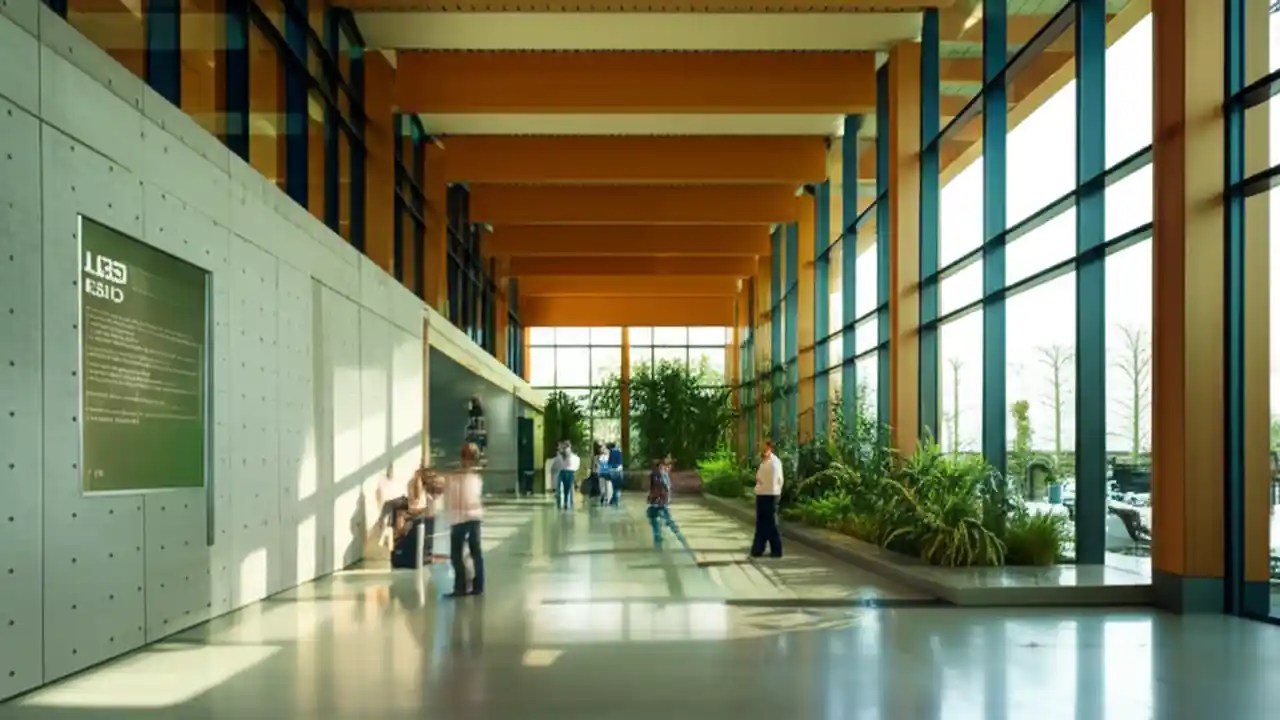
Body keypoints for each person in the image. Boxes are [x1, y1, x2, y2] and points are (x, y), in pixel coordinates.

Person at [444, 443, 485, 598]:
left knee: (458, 554)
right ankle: (476, 587)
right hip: (470, 517)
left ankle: (462, 587)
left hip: (462, 518)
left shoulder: (461, 475)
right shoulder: (475, 475)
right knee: (474, 553)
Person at [391, 468, 440, 569]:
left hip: (407, 558)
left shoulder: (410, 514)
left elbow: (416, 506)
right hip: (422, 557)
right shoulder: (430, 503)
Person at [751, 440, 784, 559]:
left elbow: (776, 480)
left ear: (770, 448)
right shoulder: (765, 462)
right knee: (762, 523)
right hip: (762, 494)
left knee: (770, 523)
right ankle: (758, 549)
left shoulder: (774, 462)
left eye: (765, 448)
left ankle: (776, 549)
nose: (763, 451)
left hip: (770, 495)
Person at [646, 459, 681, 546]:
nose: (668, 468)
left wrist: (652, 497)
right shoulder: (659, 475)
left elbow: (660, 488)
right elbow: (663, 488)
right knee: (663, 519)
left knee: (658, 520)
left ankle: (659, 539)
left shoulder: (658, 475)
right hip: (659, 502)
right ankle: (674, 534)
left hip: (657, 502)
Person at [551, 442, 579, 510]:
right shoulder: (559, 457)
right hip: (562, 472)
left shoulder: (574, 457)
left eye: (566, 448)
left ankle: (567, 502)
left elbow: (576, 466)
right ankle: (561, 502)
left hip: (569, 472)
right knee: (561, 488)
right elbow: (554, 468)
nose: (565, 450)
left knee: (568, 488)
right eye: (564, 448)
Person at [594, 442, 612, 506]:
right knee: (602, 486)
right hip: (601, 473)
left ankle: (608, 499)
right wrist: (596, 471)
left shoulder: (610, 455)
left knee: (608, 486)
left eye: (602, 447)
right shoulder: (597, 457)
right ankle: (603, 496)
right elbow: (596, 465)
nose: (601, 449)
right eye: (600, 448)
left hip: (608, 473)